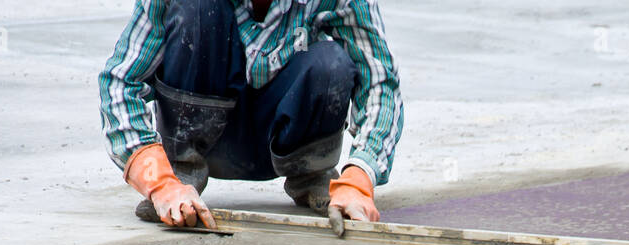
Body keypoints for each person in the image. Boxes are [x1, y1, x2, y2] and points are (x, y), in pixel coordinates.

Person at [99, 0, 403, 232]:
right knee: (198, 7)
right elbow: (120, 80)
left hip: (288, 138)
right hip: (201, 136)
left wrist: (359, 177)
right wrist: (158, 180)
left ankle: (312, 174)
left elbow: (379, 80)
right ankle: (181, 176)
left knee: (331, 62)